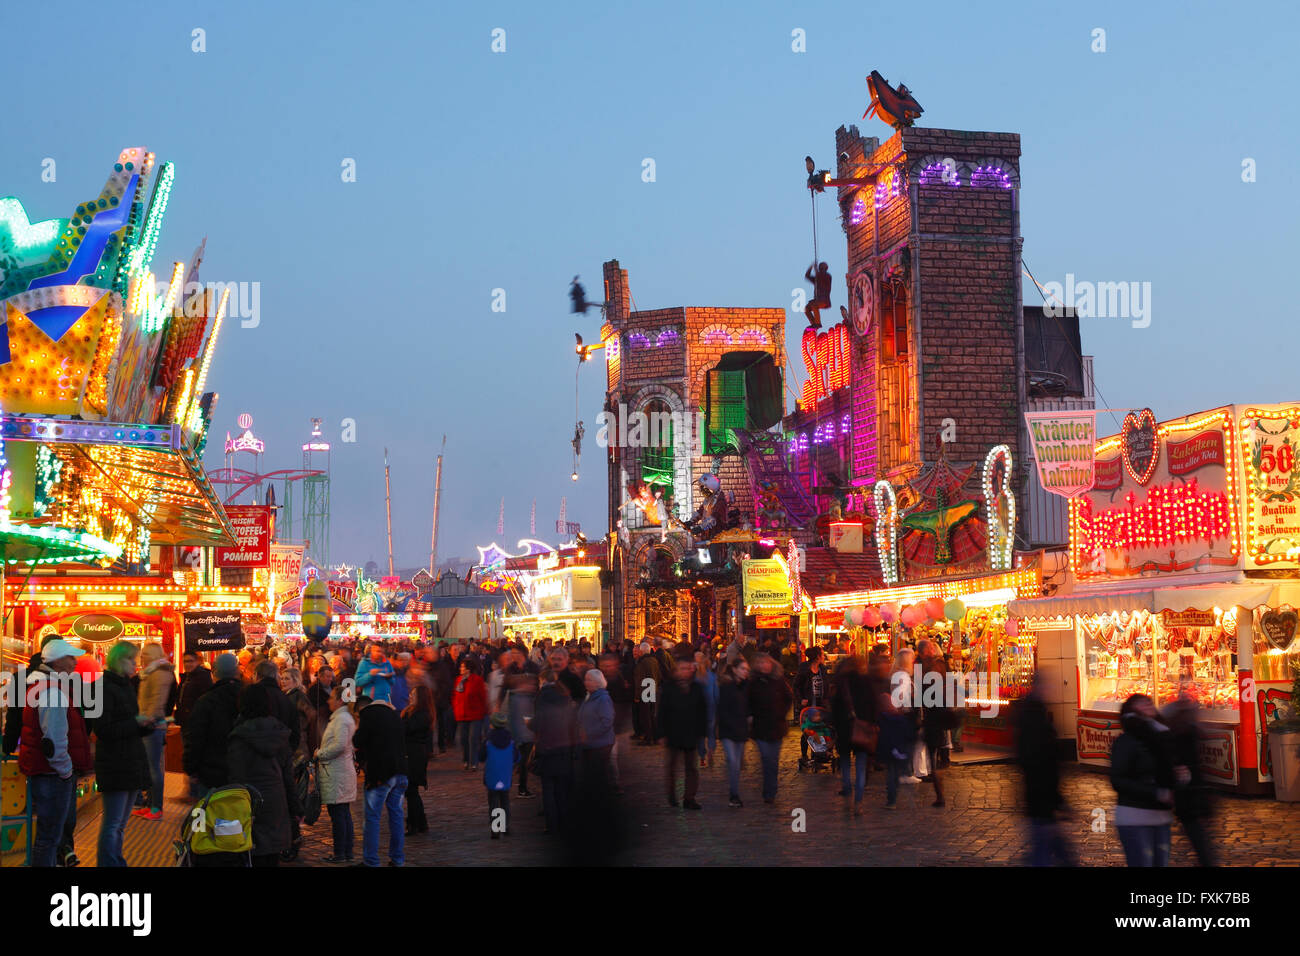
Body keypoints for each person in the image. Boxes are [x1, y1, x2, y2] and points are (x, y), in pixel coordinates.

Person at [19, 639, 93, 867]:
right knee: (49, 837)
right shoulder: (53, 691)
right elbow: (54, 739)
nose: (75, 661)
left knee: (48, 836)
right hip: (52, 773)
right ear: (58, 661)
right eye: (71, 657)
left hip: (45, 771)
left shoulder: (43, 686)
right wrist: (66, 771)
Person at [226, 682, 301, 866]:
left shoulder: (239, 737)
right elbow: (288, 778)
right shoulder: (279, 734)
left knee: (253, 857)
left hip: (250, 804)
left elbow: (236, 778)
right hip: (276, 802)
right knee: (272, 857)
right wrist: (295, 809)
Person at [1010, 671, 1076, 866]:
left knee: (1047, 846)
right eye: (1049, 687)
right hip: (1040, 796)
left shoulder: (1032, 712)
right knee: (1046, 848)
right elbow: (1037, 759)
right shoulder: (1034, 715)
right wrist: (1056, 797)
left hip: (1041, 796)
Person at [1110, 694, 1176, 867]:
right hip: (1134, 817)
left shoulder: (1164, 735)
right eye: (1140, 702)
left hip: (1161, 817)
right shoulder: (1127, 740)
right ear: (1130, 710)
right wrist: (1157, 793)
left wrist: (1181, 776)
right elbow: (1118, 780)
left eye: (1149, 701)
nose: (1147, 703)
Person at [352, 694, 409, 867]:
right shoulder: (395, 715)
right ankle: (397, 859)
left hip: (381, 775)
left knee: (372, 818)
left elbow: (358, 740)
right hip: (401, 772)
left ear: (361, 709)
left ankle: (371, 861)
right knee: (396, 816)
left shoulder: (368, 715)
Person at [1162, 686, 1215, 865]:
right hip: (1192, 788)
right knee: (1198, 833)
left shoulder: (1174, 730)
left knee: (1195, 830)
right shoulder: (1187, 728)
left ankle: (1205, 858)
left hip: (1189, 789)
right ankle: (1206, 859)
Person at [182, 653, 242, 796]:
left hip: (211, 771)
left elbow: (196, 737)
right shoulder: (248, 696)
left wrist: (191, 768)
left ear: (215, 674)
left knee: (209, 812)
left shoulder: (207, 701)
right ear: (237, 671)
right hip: (242, 768)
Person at [656, 653, 706, 810]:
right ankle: (672, 796)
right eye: (681, 668)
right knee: (672, 767)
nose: (684, 671)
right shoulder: (669, 687)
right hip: (673, 732)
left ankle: (689, 798)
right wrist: (661, 733)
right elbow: (662, 711)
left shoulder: (697, 687)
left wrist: (702, 733)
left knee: (691, 767)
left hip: (691, 733)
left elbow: (702, 711)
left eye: (687, 668)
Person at [315, 686, 357, 863]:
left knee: (339, 815)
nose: (328, 701)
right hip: (339, 772)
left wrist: (320, 754)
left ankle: (341, 852)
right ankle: (345, 852)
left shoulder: (341, 720)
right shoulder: (342, 718)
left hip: (337, 773)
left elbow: (340, 745)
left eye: (331, 698)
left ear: (340, 701)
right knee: (343, 814)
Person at [532, 668, 577, 835]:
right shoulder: (565, 696)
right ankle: (564, 822)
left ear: (543, 680)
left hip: (547, 747)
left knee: (548, 789)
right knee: (561, 789)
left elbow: (538, 723)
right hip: (563, 746)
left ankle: (551, 825)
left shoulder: (542, 697)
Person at [134, 642, 175, 819]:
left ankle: (156, 807)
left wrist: (147, 719)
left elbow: (157, 700)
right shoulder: (152, 672)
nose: (141, 658)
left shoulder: (159, 673)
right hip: (149, 724)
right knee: (149, 767)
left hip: (152, 725)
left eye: (144, 655)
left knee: (153, 768)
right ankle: (150, 803)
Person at [830, 654, 874, 815]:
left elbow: (833, 708)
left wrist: (833, 726)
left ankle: (848, 792)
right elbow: (873, 704)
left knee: (846, 765)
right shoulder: (866, 682)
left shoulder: (839, 683)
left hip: (844, 729)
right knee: (861, 767)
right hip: (861, 728)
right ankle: (859, 802)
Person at [747, 653, 792, 805]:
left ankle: (771, 790)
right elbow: (748, 701)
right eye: (762, 663)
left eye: (767, 663)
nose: (765, 666)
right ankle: (768, 792)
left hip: (776, 726)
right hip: (760, 726)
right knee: (766, 758)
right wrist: (751, 715)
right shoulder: (753, 682)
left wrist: (782, 712)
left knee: (773, 760)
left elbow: (788, 697)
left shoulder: (778, 681)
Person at [878, 649, 917, 810]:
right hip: (901, 718)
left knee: (894, 759)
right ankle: (901, 778)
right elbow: (903, 699)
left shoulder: (895, 675)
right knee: (898, 755)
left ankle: (893, 792)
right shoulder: (902, 677)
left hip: (893, 719)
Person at [916, 640, 950, 807]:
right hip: (936, 715)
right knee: (934, 755)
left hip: (934, 716)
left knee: (933, 756)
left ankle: (940, 793)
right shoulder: (937, 666)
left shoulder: (930, 668)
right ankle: (939, 792)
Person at [401, 683, 435, 835]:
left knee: (411, 790)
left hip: (415, 755)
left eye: (413, 695)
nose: (410, 697)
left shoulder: (421, 714)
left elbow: (408, 729)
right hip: (412, 753)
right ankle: (419, 823)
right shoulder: (415, 711)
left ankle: (415, 823)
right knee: (411, 791)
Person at [717, 657, 751, 808]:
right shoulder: (726, 686)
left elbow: (748, 707)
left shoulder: (746, 686)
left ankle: (734, 791)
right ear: (735, 669)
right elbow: (721, 709)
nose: (745, 672)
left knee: (736, 764)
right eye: (743, 669)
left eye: (747, 670)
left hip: (741, 729)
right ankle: (734, 794)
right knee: (733, 762)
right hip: (728, 730)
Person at [480, 712, 519, 838]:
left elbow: (481, 757)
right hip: (505, 776)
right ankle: (505, 826)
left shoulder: (488, 741)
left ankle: (496, 828)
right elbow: (517, 757)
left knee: (493, 802)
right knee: (505, 801)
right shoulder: (511, 741)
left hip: (492, 775)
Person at [577, 669, 615, 787]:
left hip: (600, 744)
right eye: (586, 680)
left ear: (598, 682)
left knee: (598, 777)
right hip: (589, 743)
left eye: (590, 680)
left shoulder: (603, 699)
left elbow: (607, 722)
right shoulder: (589, 696)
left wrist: (588, 733)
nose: (586, 682)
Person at [452, 658, 489, 771]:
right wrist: (455, 708)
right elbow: (455, 695)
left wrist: (484, 712)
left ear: (468, 669)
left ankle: (474, 762)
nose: (461, 669)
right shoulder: (458, 680)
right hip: (461, 714)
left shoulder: (477, 680)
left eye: (463, 667)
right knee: (463, 739)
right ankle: (466, 759)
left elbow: (482, 697)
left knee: (473, 739)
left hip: (475, 714)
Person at [794, 646, 829, 766]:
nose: (824, 657)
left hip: (820, 703)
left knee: (819, 729)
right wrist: (801, 699)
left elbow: (827, 685)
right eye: (822, 655)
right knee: (807, 730)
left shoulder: (822, 669)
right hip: (808, 704)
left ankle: (818, 754)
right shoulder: (804, 668)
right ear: (817, 657)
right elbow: (796, 686)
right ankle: (804, 755)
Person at [632, 642, 662, 744]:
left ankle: (648, 738)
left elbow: (639, 679)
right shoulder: (654, 660)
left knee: (645, 716)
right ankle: (655, 736)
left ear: (641, 651)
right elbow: (658, 675)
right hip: (653, 687)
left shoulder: (642, 662)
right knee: (652, 714)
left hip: (645, 690)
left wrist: (637, 696)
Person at [174, 651, 212, 728]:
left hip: (196, 724)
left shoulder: (202, 677)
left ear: (197, 662)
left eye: (190, 661)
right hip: (185, 722)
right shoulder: (186, 678)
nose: (187, 664)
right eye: (185, 661)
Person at [694, 651, 718, 769]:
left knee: (700, 735)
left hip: (699, 710)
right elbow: (716, 694)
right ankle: (711, 750)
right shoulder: (713, 676)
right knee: (711, 732)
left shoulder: (695, 678)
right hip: (711, 708)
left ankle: (702, 757)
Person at [306, 664, 335, 743]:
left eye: (331, 677)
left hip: (333, 718)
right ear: (320, 676)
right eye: (328, 677)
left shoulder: (334, 685)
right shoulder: (314, 689)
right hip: (321, 719)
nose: (330, 679)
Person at [804, 261, 832, 329]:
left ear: (826, 269)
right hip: (818, 300)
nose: (821, 269)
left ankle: (818, 323)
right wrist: (811, 266)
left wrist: (815, 269)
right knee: (807, 308)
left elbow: (820, 276)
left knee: (814, 305)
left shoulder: (827, 276)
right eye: (820, 267)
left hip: (824, 301)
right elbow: (807, 276)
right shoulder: (817, 279)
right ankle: (814, 323)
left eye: (822, 268)